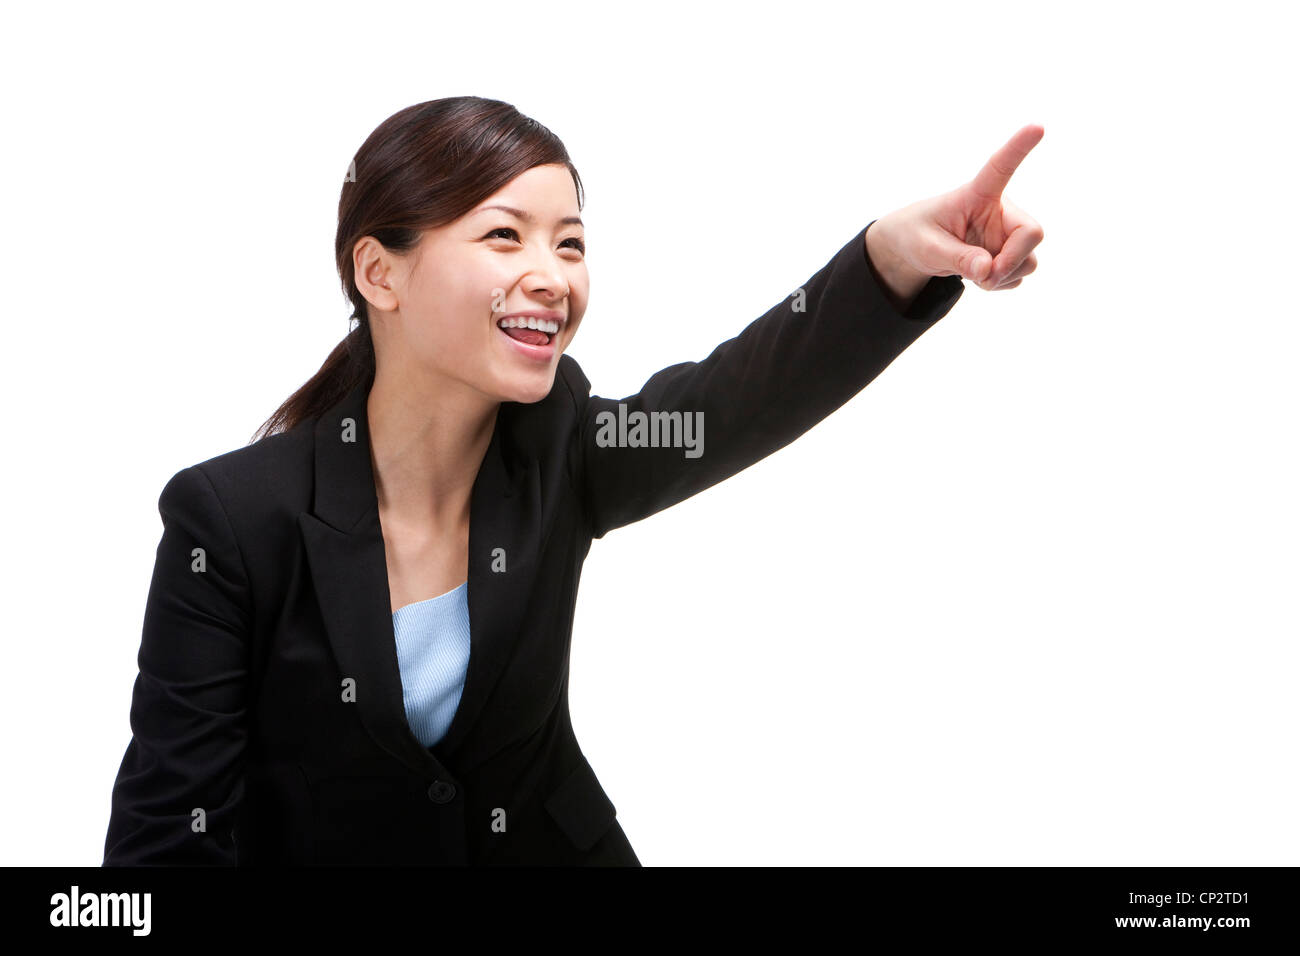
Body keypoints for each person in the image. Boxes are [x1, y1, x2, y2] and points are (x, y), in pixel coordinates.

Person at [102, 96, 1043, 866]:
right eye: (504, 237)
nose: (552, 277)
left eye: (571, 243)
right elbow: (166, 833)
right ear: (379, 273)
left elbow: (739, 398)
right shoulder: (229, 522)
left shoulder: (560, 452)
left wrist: (892, 254)